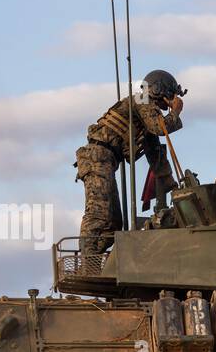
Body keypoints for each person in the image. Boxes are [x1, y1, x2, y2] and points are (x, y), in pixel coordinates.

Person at [76, 69, 186, 255]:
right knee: (99, 215)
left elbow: (156, 156)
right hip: (97, 157)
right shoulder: (141, 99)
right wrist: (175, 112)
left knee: (114, 224)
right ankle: (88, 262)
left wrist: (175, 189)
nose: (169, 100)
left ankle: (94, 258)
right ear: (158, 89)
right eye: (169, 94)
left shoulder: (147, 116)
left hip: (105, 160)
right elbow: (160, 128)